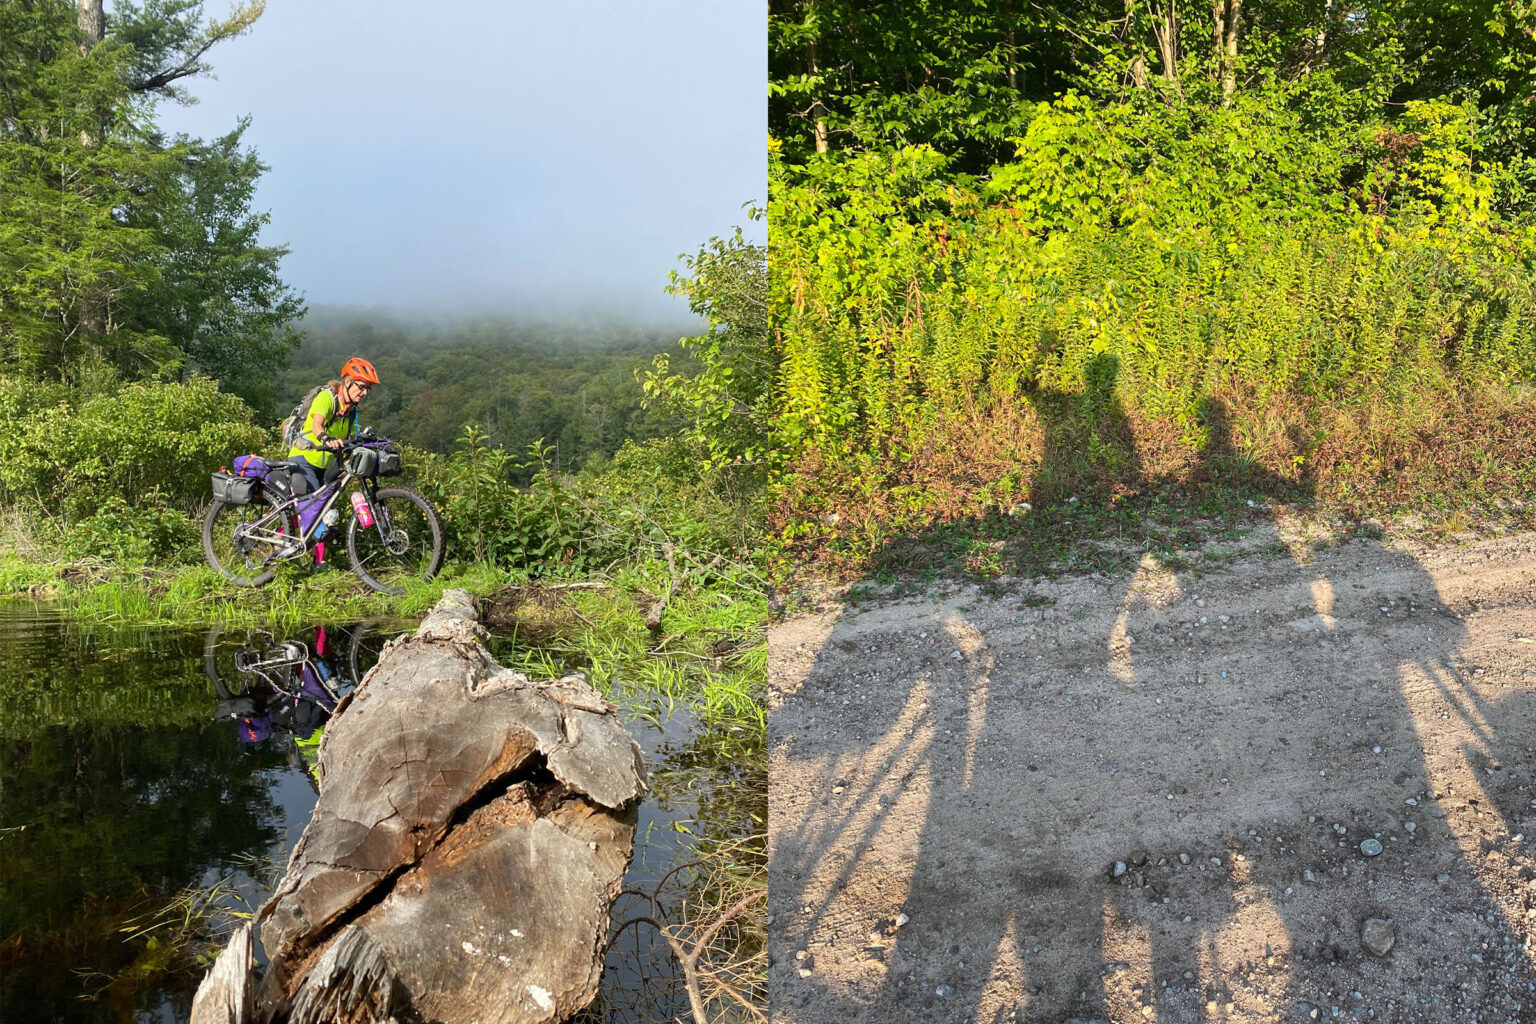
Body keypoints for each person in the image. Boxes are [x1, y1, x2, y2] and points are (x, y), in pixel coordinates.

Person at [286, 357, 380, 495]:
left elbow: (349, 437)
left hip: (326, 466)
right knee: (314, 509)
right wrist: (326, 439)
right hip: (304, 459)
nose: (365, 393)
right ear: (348, 382)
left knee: (327, 510)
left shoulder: (351, 410)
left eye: (368, 389)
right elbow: (317, 425)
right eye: (362, 386)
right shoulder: (327, 397)